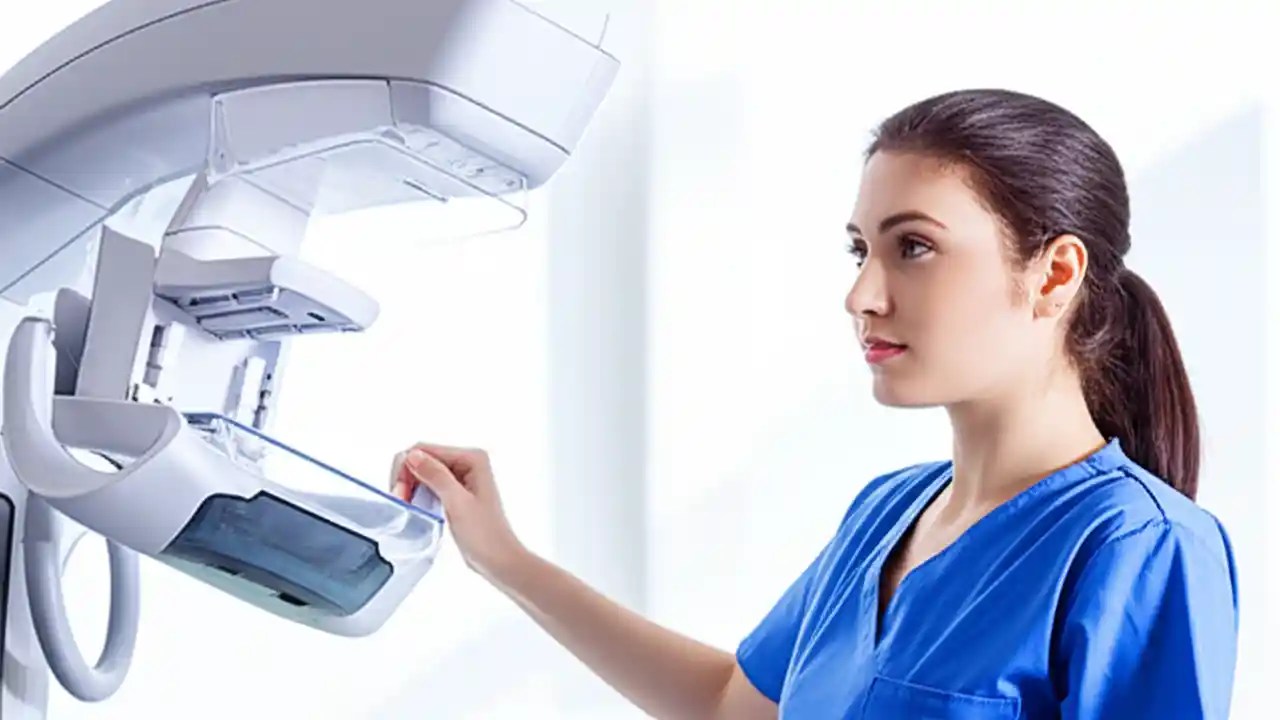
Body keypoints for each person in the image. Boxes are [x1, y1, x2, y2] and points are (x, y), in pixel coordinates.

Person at [389, 89, 1239, 719]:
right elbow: (732, 703)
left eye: (914, 248)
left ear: (1054, 272)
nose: (863, 294)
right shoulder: (887, 513)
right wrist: (504, 560)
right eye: (860, 249)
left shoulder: (1139, 548)